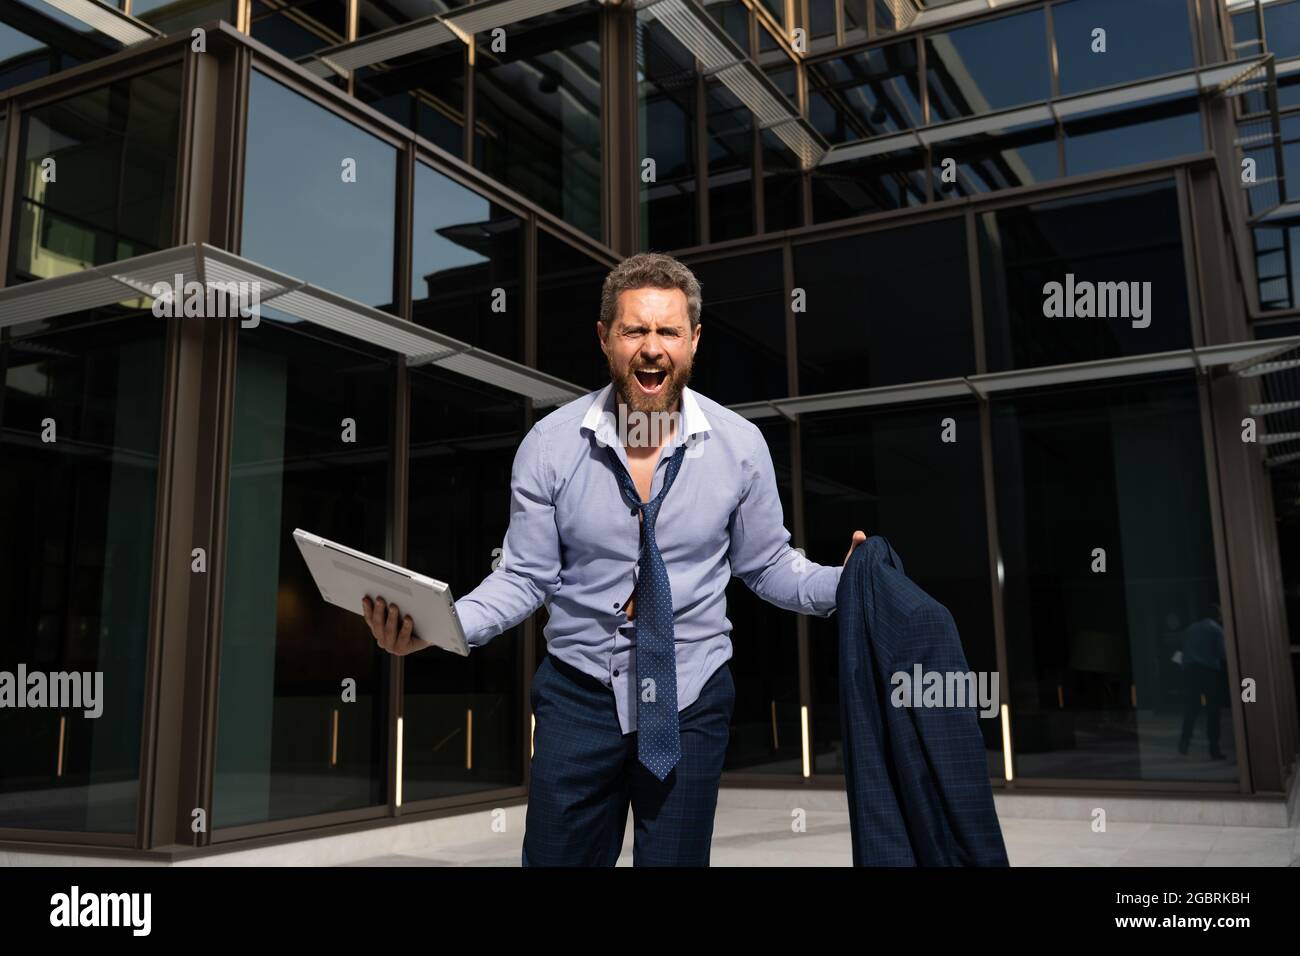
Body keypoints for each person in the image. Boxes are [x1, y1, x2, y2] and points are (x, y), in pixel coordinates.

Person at [362, 252, 866, 865]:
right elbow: (523, 577)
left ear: (693, 341)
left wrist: (851, 583)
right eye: (635, 330)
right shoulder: (550, 445)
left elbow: (767, 565)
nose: (651, 348)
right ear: (605, 338)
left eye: (668, 331)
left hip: (692, 697)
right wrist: (442, 628)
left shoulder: (741, 447)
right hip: (579, 697)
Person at [1177, 603, 1227, 760]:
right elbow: (1222, 653)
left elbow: (1182, 651)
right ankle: (1214, 748)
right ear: (1215, 614)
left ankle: (1185, 741)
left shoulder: (1190, 629)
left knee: (1192, 708)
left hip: (1190, 671)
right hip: (1209, 672)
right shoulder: (1216, 629)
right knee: (1213, 710)